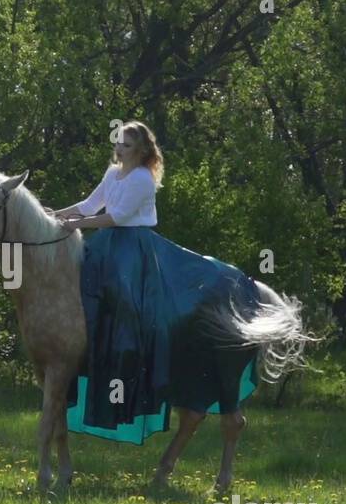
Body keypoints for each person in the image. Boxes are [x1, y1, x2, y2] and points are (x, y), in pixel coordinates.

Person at [51, 120, 262, 447]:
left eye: (127, 145)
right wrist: (52, 214)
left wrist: (74, 224)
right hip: (106, 243)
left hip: (133, 248)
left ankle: (134, 349)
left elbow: (117, 216)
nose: (119, 149)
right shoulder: (113, 173)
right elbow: (90, 205)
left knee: (126, 298)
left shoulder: (141, 179)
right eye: (118, 143)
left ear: (142, 150)